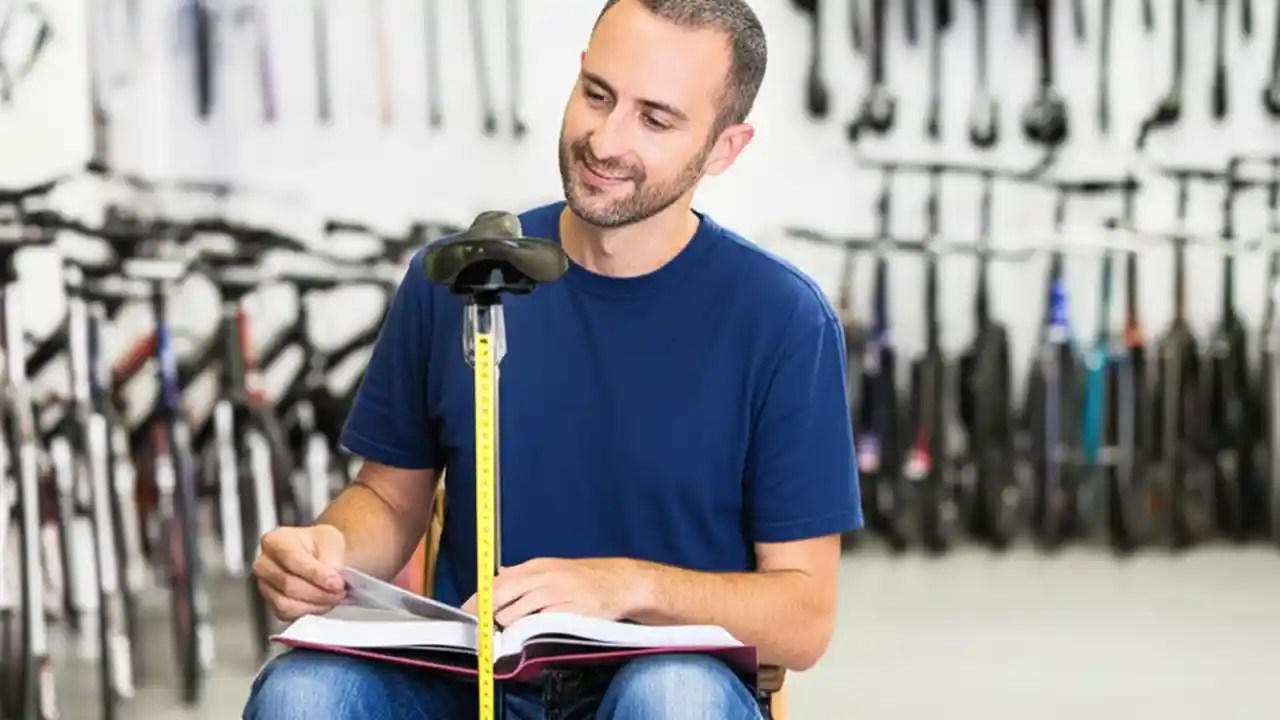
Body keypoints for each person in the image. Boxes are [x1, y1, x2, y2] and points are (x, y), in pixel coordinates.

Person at [242, 0, 861, 717]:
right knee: (304, 692)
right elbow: (387, 498)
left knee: (674, 697)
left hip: (665, 682)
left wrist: (629, 586)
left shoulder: (782, 320)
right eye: (597, 94)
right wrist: (327, 552)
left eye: (655, 119)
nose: (604, 138)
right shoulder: (458, 278)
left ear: (726, 148)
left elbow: (805, 615)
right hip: (473, 682)